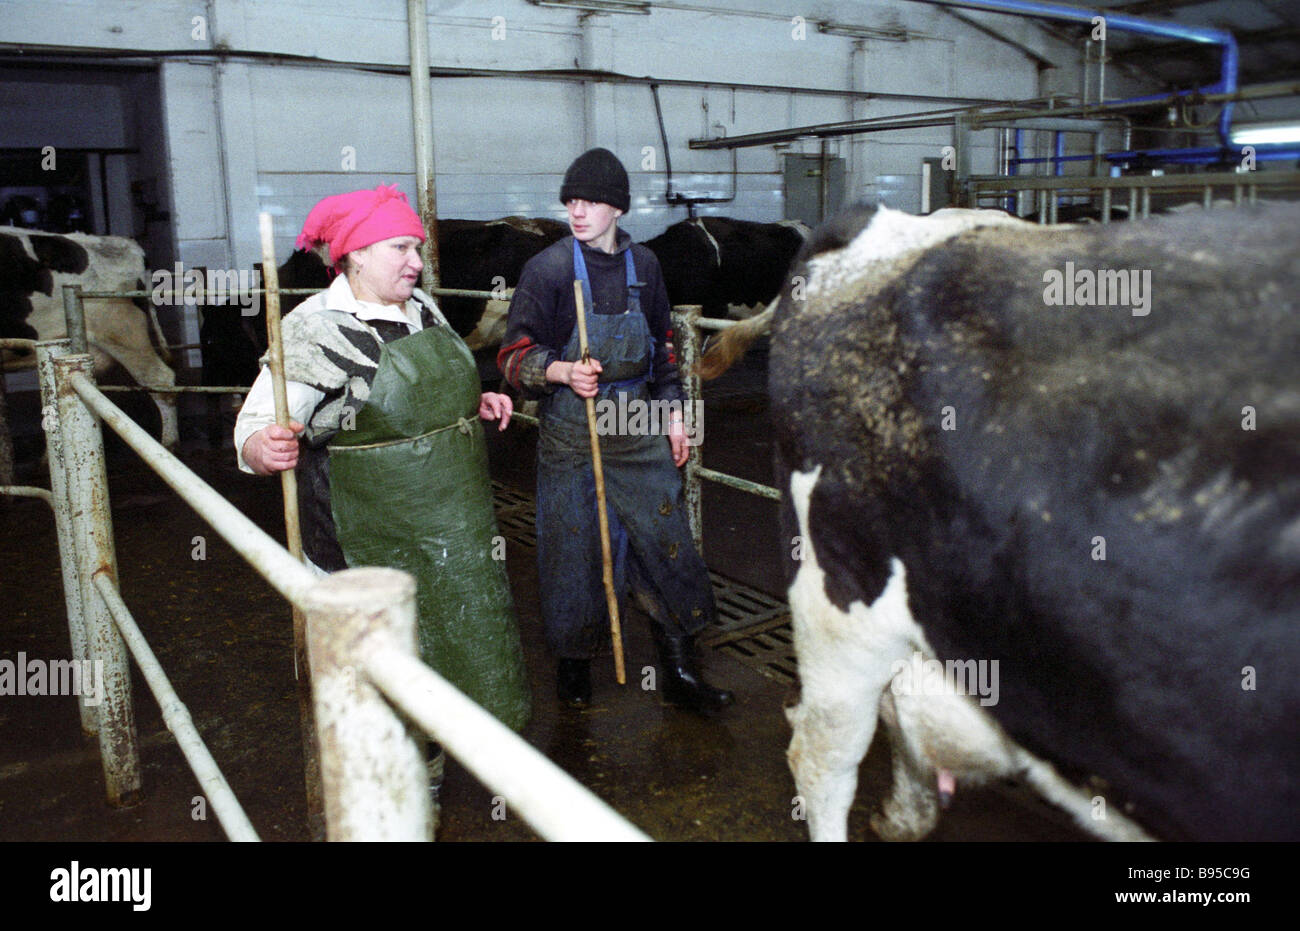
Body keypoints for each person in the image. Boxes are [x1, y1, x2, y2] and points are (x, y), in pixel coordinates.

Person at [235, 184, 531, 733]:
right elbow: (254, 423)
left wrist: (474, 400)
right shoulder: (315, 329)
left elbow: (437, 390)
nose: (417, 263)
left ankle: (449, 758)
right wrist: (261, 447)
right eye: (401, 248)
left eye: (416, 249)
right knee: (381, 668)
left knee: (457, 650)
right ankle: (403, 784)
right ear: (356, 255)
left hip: (452, 528)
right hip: (362, 538)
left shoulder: (422, 309)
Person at [497, 148, 733, 714]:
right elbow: (511, 356)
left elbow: (664, 353)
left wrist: (675, 412)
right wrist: (557, 370)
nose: (578, 211)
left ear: (618, 208)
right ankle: (574, 666)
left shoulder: (646, 267)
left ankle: (679, 669)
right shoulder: (548, 269)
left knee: (665, 541)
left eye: (592, 201)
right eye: (571, 201)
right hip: (571, 427)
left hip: (634, 417)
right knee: (573, 548)